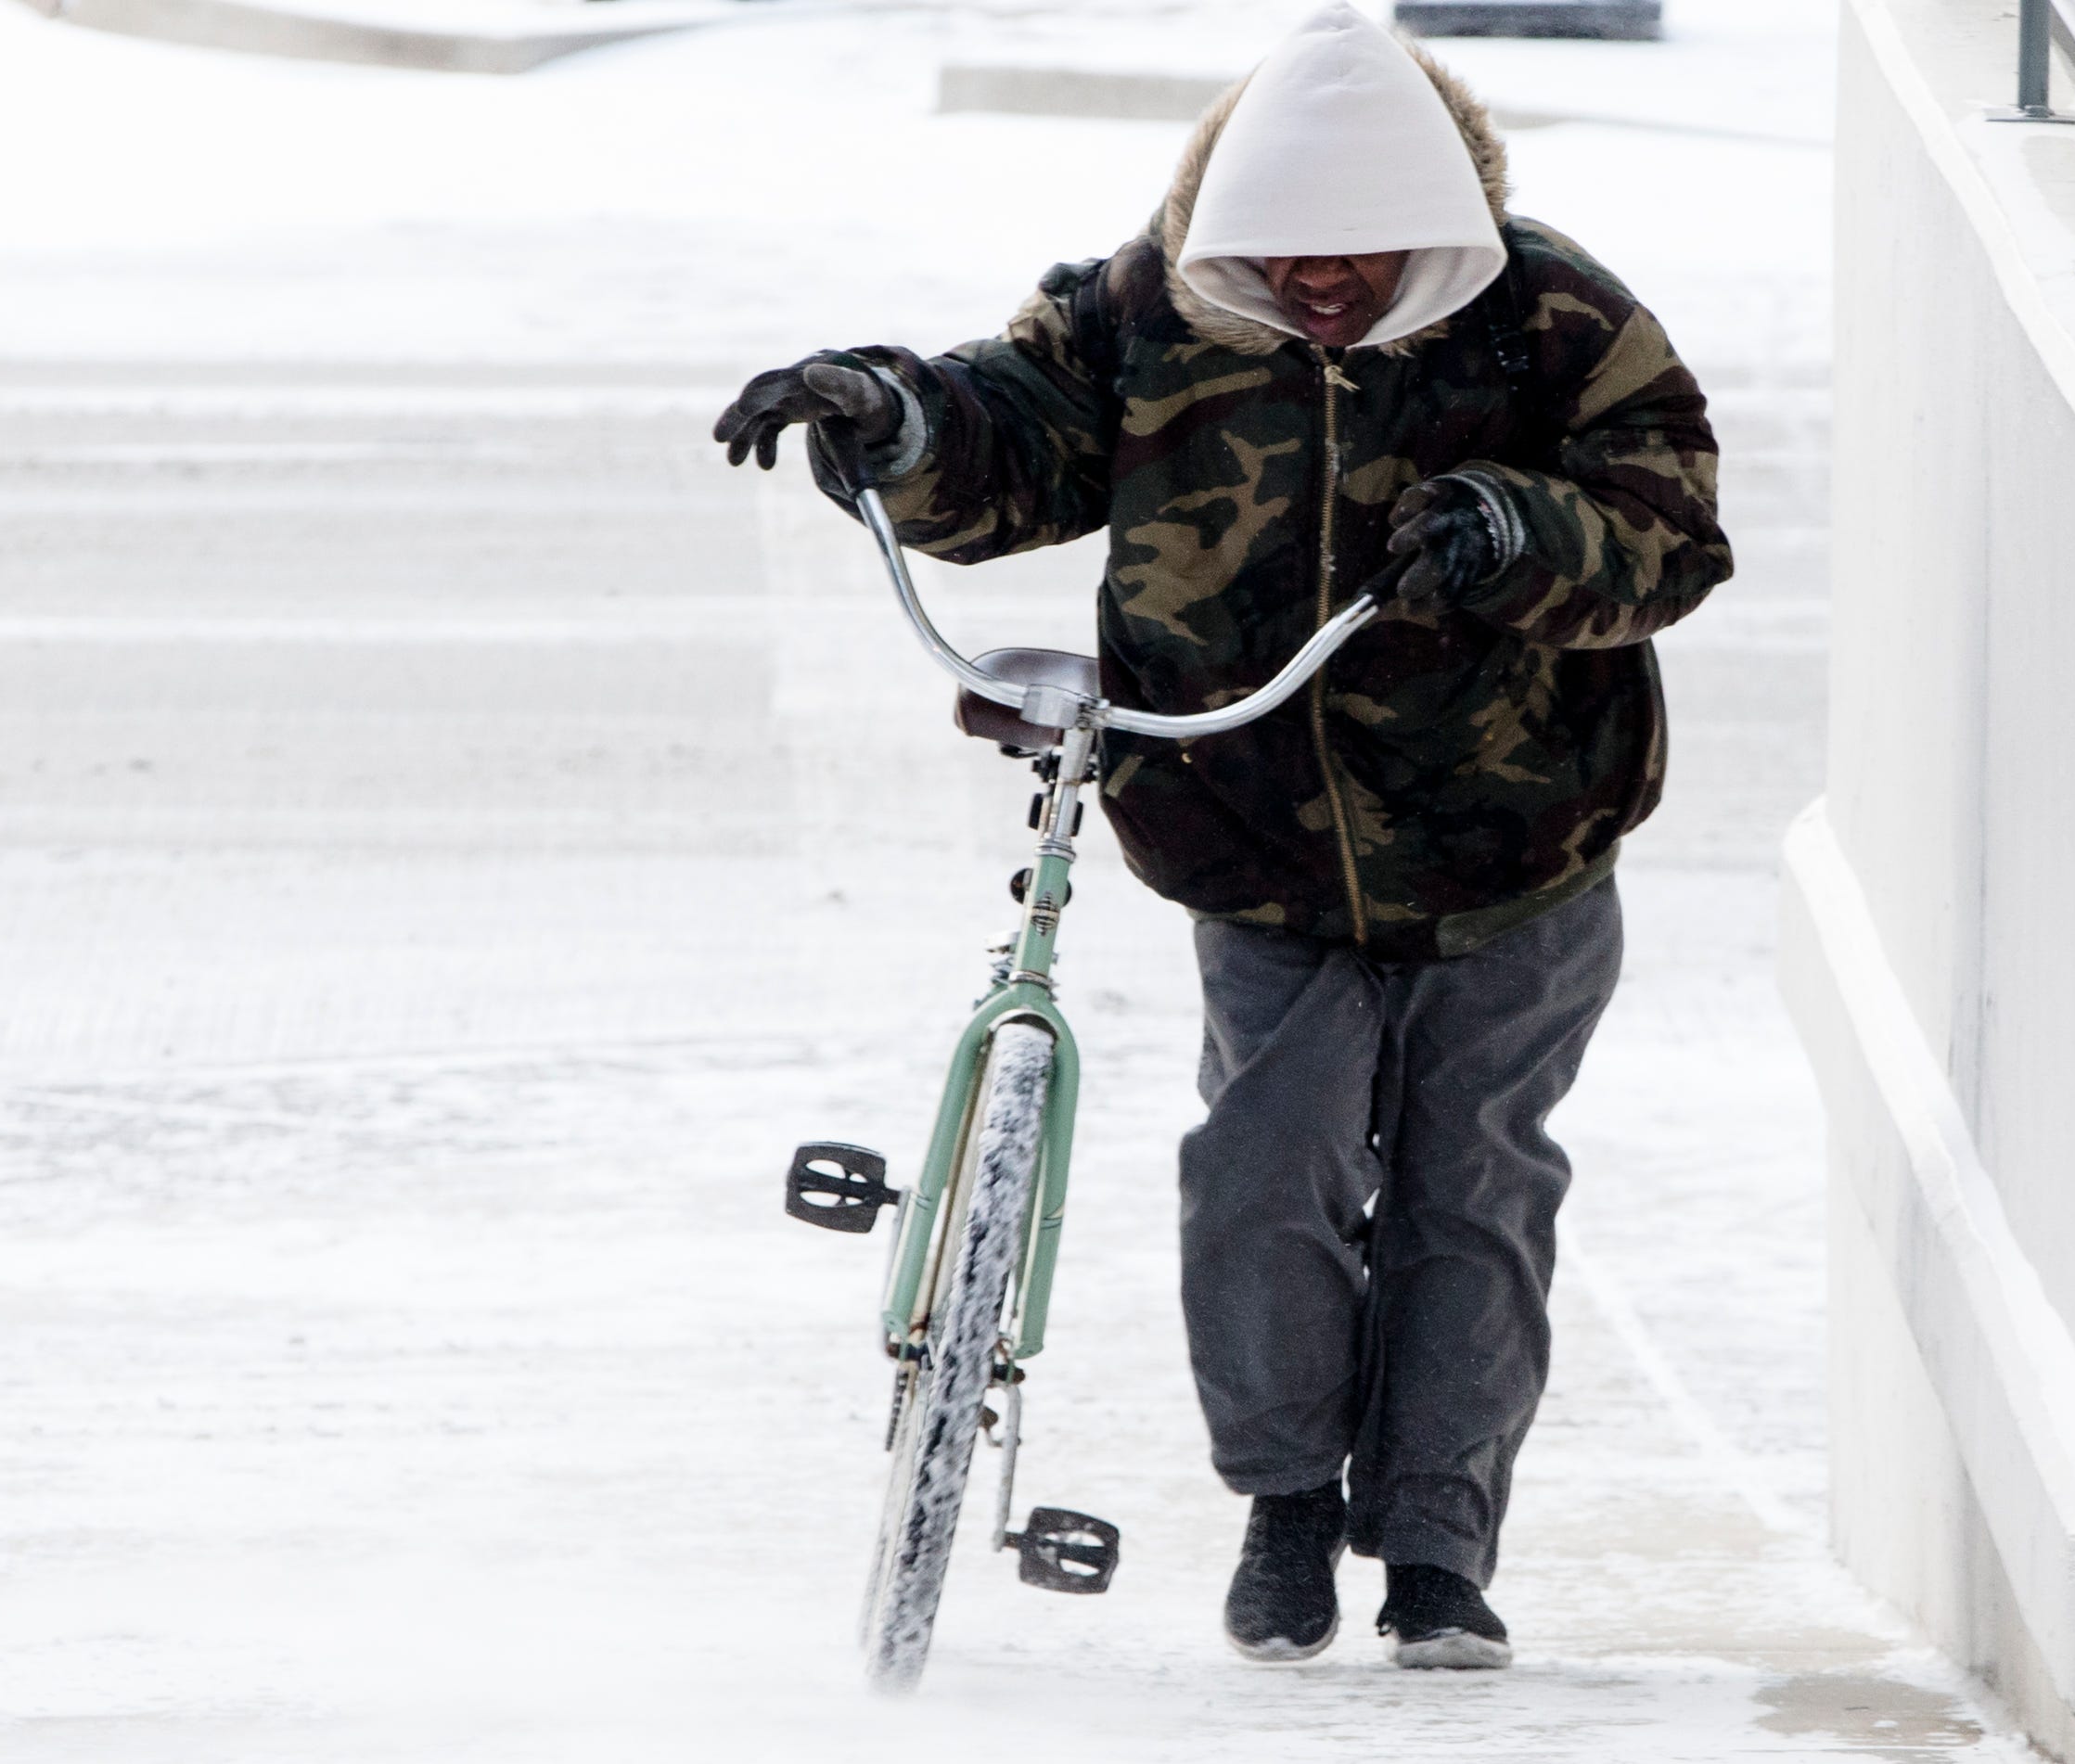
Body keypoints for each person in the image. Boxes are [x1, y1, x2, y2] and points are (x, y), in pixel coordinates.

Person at [713, 4, 1728, 1669]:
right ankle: (1283, 1503)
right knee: (1265, 1177)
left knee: (1472, 1194)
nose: (1318, 284)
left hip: (1515, 847)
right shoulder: (1150, 305)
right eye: (1283, 254)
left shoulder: (1554, 316)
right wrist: (886, 416)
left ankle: (1434, 1553)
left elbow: (1669, 534)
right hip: (1250, 830)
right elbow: (1011, 433)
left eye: (1357, 256)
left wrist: (1514, 526)